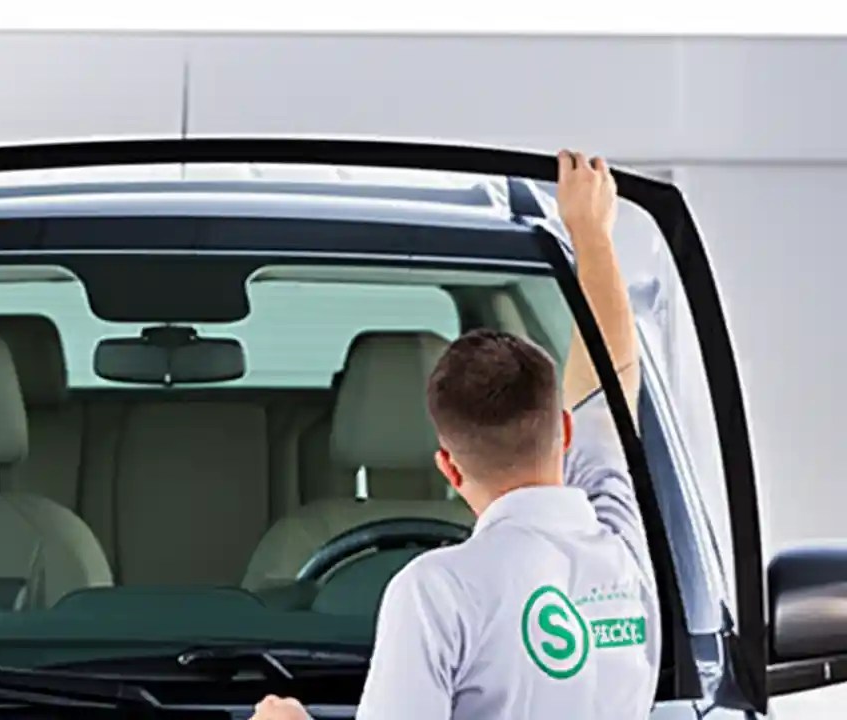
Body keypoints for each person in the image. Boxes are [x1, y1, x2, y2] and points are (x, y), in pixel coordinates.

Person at [250, 150, 658, 720]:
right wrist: (592, 235)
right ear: (562, 431)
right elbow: (612, 389)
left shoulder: (438, 592)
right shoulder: (623, 552)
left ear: (449, 466)